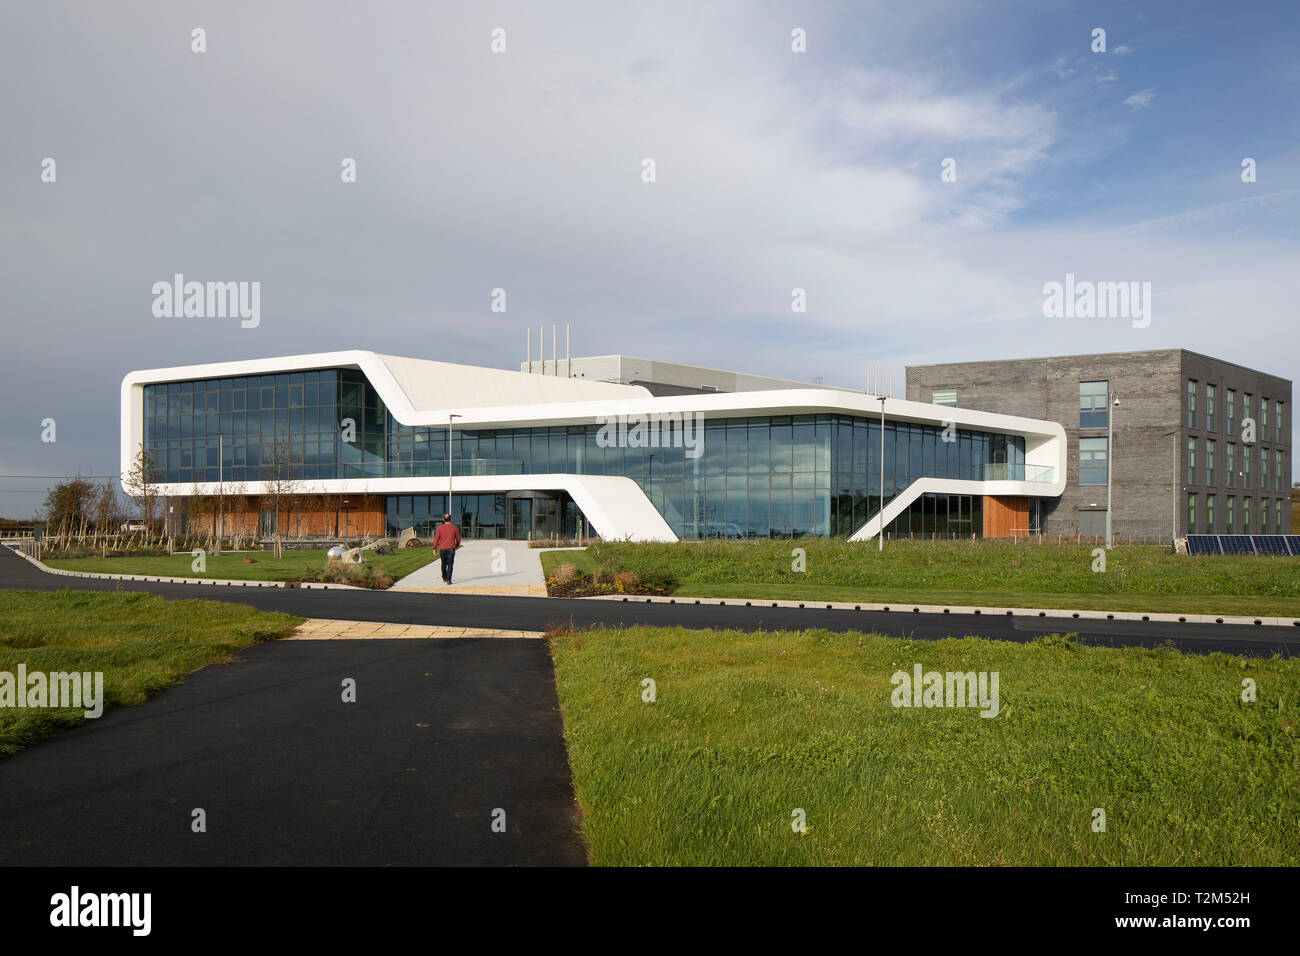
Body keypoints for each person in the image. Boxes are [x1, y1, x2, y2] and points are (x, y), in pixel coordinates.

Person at [433, 513, 462, 584]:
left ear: (443, 520)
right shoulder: (454, 528)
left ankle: (444, 577)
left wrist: (434, 548)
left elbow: (436, 539)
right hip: (451, 549)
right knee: (450, 564)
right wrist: (456, 545)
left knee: (443, 563)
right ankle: (449, 579)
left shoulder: (439, 528)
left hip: (442, 549)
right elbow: (458, 539)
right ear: (450, 519)